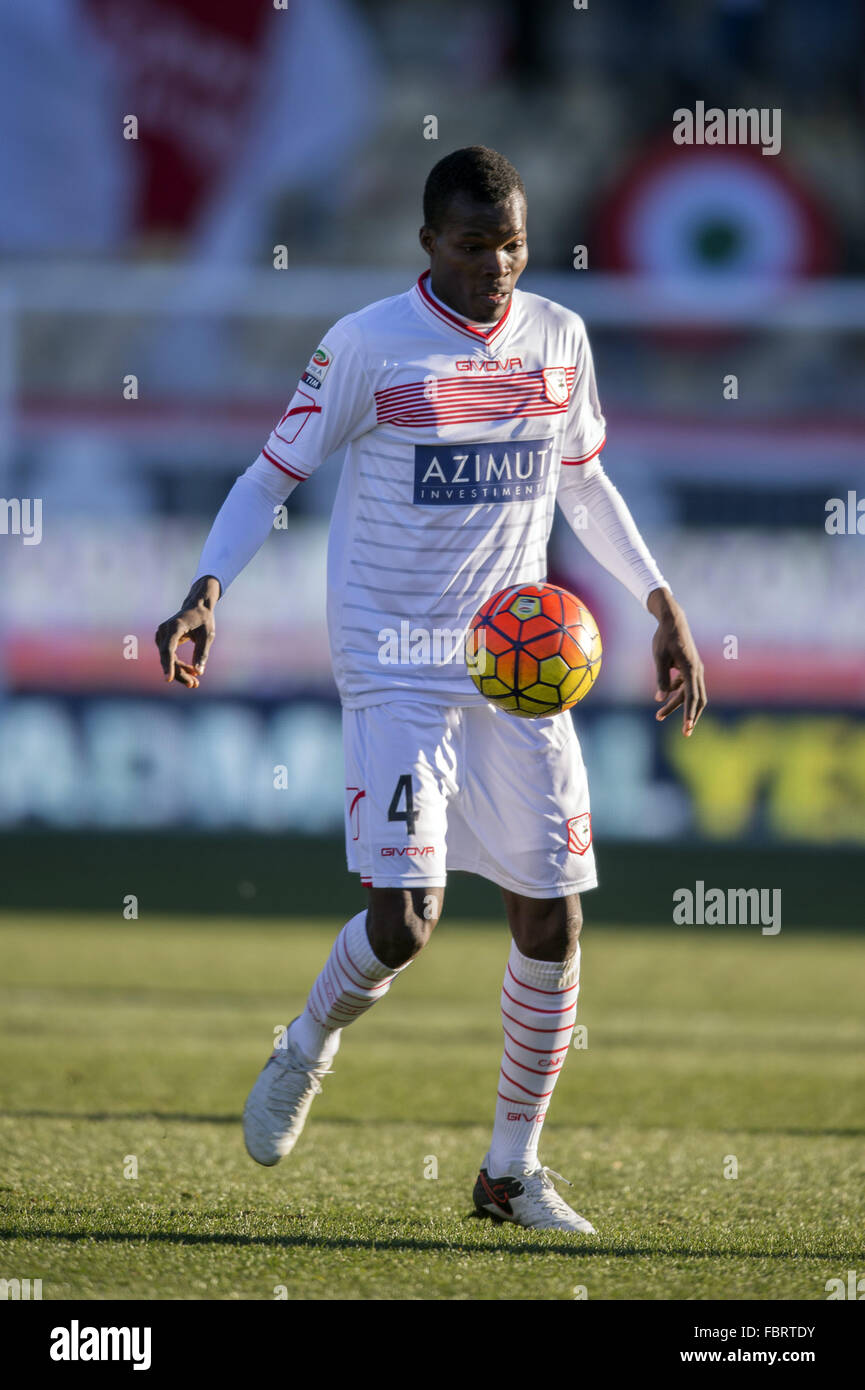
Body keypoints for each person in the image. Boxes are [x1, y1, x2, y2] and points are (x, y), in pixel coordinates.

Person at [155, 146, 707, 1234]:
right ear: (427, 245)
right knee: (405, 923)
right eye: (471, 245)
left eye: (512, 243)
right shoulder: (365, 347)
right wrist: (206, 588)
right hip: (394, 659)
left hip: (516, 664)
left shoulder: (559, 338)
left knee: (552, 919)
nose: (496, 264)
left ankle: (510, 1172)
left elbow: (583, 480)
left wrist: (657, 600)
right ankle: (308, 1040)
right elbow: (273, 473)